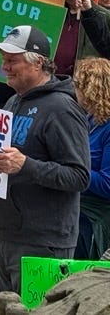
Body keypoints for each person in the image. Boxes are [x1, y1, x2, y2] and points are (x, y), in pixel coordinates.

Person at [0, 25, 90, 294]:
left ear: (38, 62)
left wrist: (26, 165)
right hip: (8, 234)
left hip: (43, 241)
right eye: (3, 60)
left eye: (12, 60)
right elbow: (0, 159)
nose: (4, 66)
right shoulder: (13, 102)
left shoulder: (61, 107)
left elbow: (79, 176)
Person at [71, 57, 110, 259]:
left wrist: (73, 169)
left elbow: (107, 184)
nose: (74, 89)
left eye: (77, 84)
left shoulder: (108, 128)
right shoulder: (88, 119)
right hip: (77, 204)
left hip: (95, 217)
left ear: (91, 89)